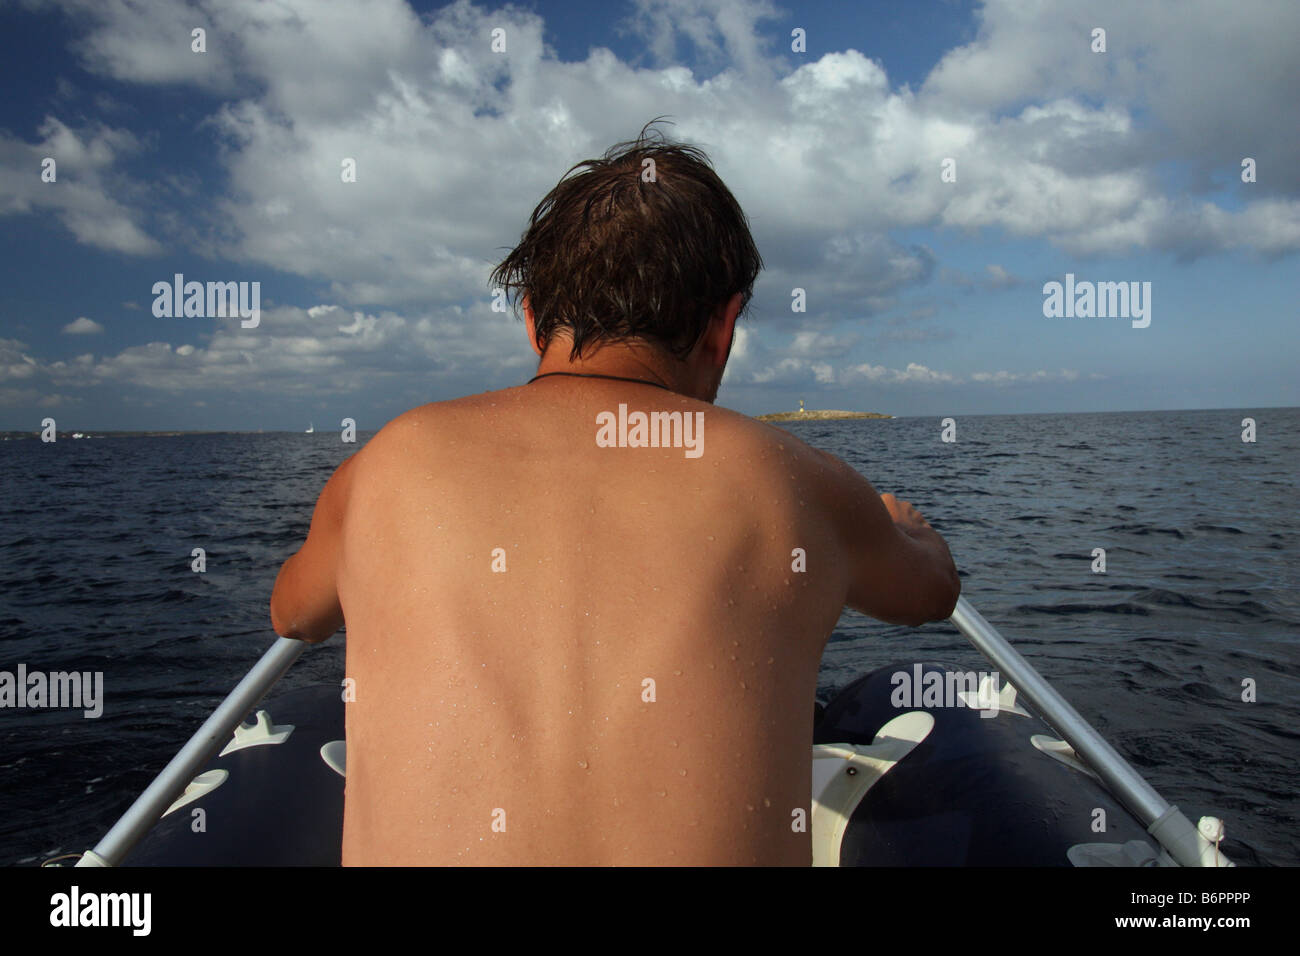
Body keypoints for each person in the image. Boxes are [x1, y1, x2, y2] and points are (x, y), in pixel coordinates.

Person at [269, 122, 960, 865]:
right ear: (722, 327)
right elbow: (930, 593)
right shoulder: (799, 483)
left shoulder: (387, 463)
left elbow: (295, 613)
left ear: (533, 317)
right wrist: (904, 526)